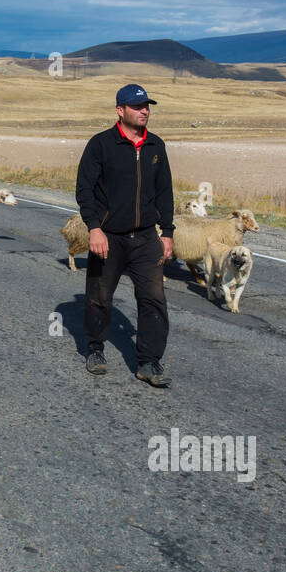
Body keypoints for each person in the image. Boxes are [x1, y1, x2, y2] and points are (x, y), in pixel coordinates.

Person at [75, 84, 175, 386]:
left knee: (154, 299)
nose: (144, 110)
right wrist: (94, 227)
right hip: (108, 236)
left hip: (145, 237)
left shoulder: (156, 146)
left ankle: (149, 362)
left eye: (147, 106)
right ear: (121, 110)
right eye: (137, 106)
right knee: (100, 296)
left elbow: (164, 193)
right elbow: (85, 190)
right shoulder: (101, 144)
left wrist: (167, 232)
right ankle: (95, 348)